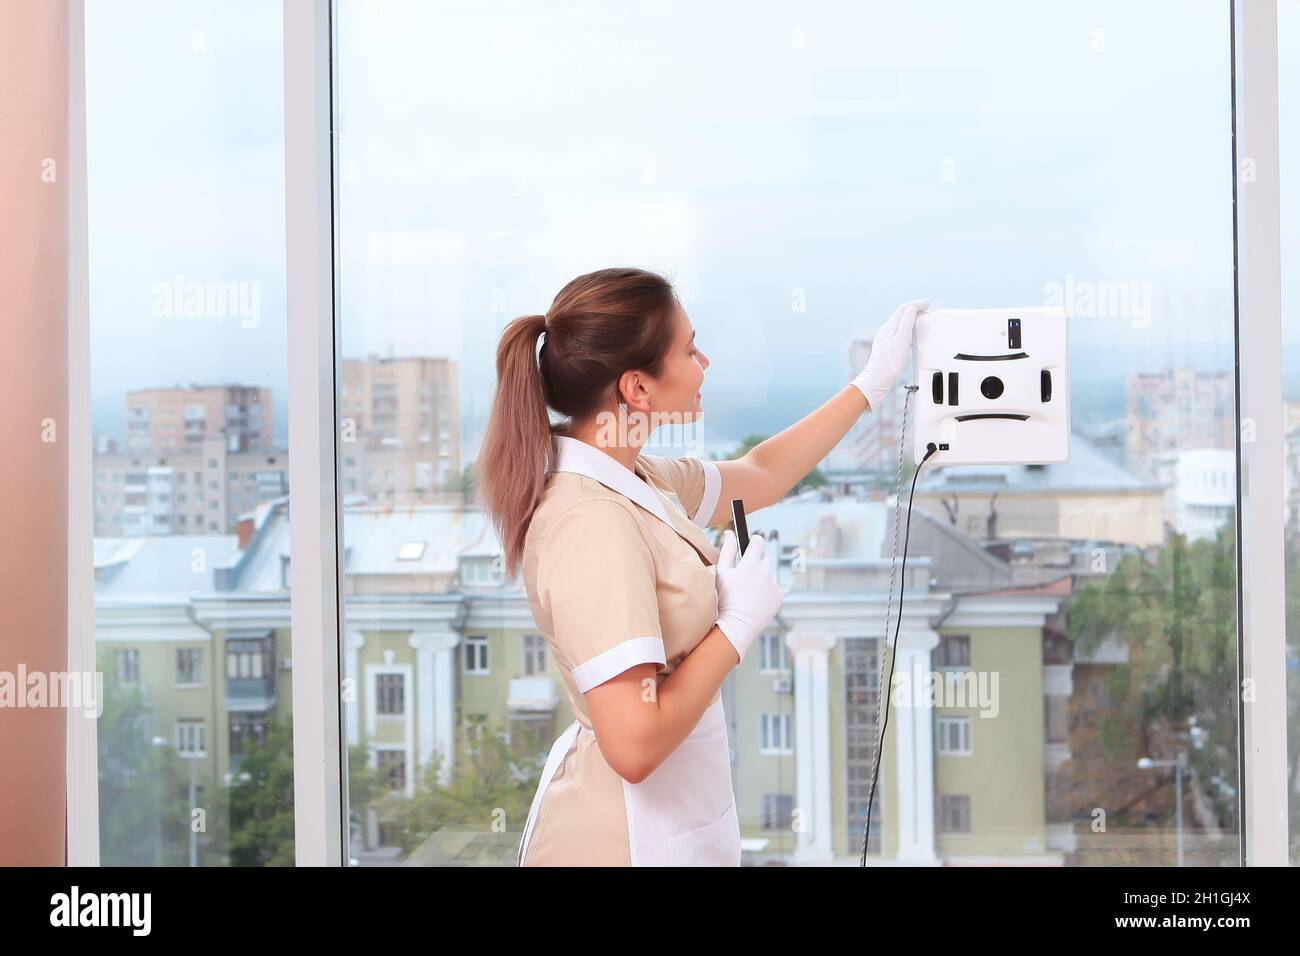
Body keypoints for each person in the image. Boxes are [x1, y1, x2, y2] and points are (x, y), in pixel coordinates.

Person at [478, 266, 927, 866]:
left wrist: (870, 386)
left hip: (670, 824)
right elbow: (633, 745)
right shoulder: (590, 522)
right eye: (689, 349)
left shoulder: (638, 478)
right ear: (637, 389)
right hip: (619, 842)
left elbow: (763, 474)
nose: (705, 363)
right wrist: (736, 625)